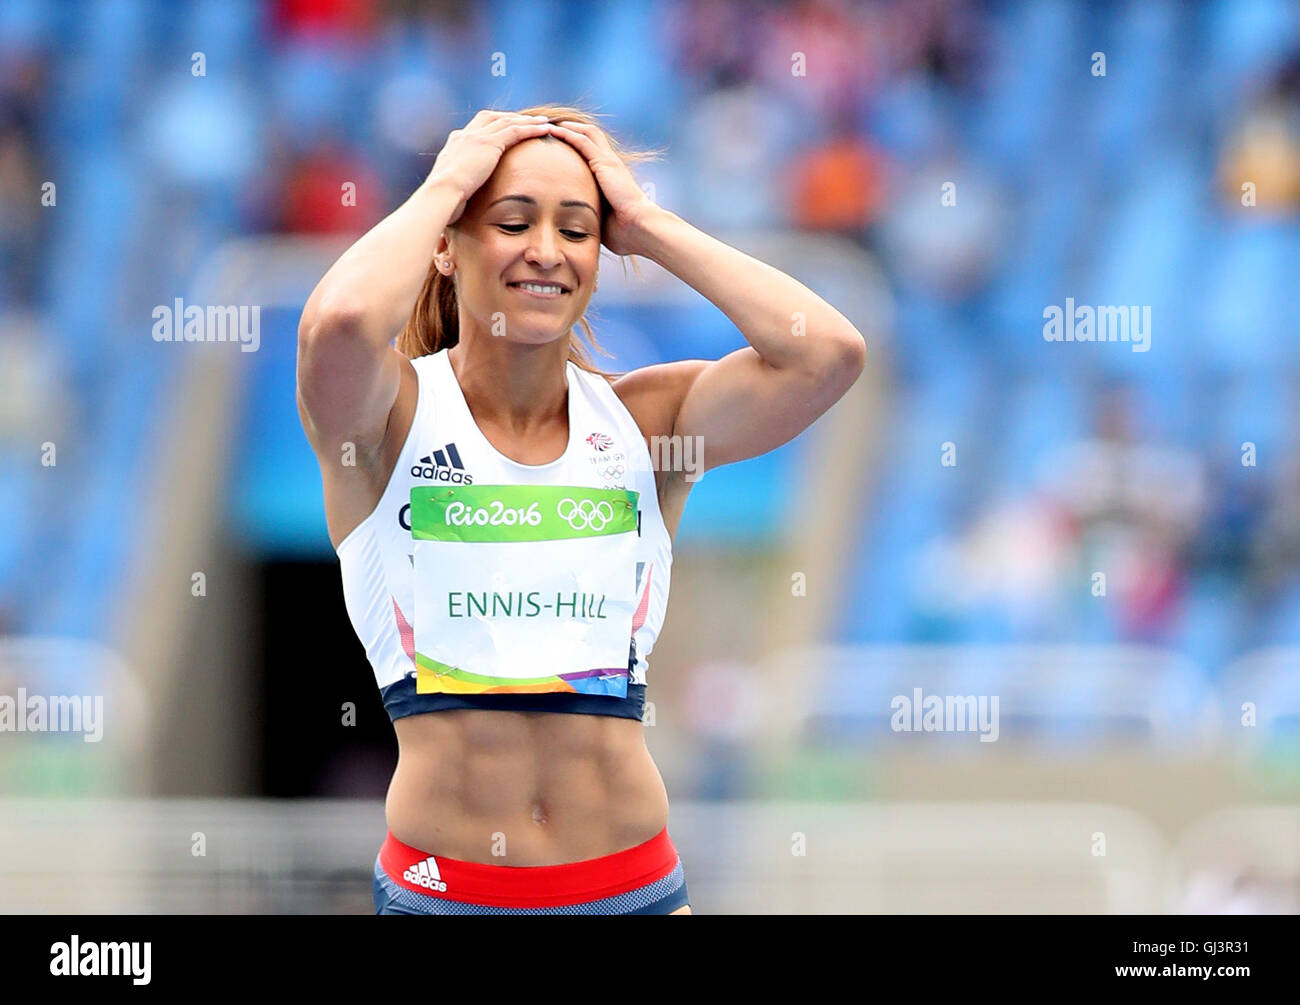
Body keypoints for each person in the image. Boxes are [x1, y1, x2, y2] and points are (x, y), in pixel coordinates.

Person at [296, 104, 866, 914]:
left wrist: (649, 225)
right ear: (448, 247)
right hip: (449, 895)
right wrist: (445, 184)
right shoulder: (387, 421)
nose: (546, 250)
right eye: (512, 222)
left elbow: (827, 354)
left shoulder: (650, 426)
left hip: (630, 891)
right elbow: (342, 322)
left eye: (576, 230)